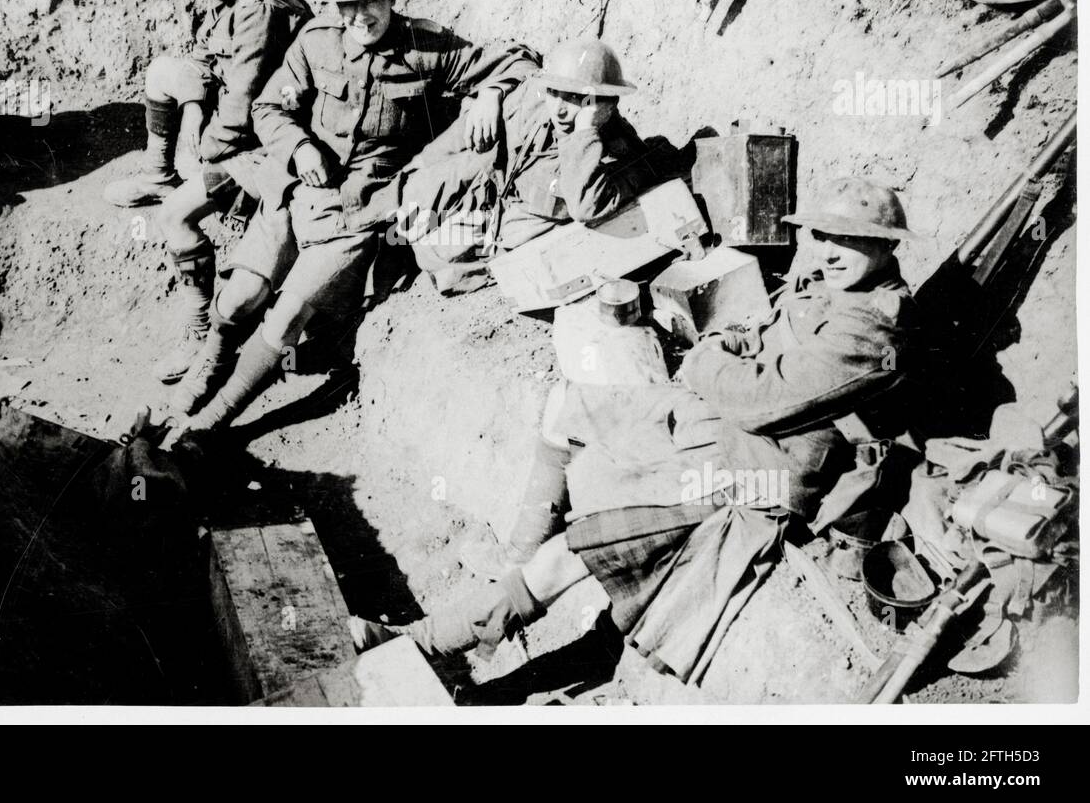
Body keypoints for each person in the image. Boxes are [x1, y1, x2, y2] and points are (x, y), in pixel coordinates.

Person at [350, 178, 922, 674]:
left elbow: (758, 400)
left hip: (758, 470)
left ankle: (427, 643)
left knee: (579, 548)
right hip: (713, 420)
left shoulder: (871, 332)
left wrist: (706, 359)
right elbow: (751, 331)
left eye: (849, 239)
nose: (828, 250)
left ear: (886, 245)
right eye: (820, 235)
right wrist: (722, 351)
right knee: (565, 409)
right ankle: (511, 564)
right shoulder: (829, 280)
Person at [165, 0, 535, 429]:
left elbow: (520, 61)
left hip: (358, 212)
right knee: (240, 298)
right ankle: (211, 362)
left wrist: (490, 93)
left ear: (392, 0)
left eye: (372, 3)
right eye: (348, 6)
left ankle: (216, 420)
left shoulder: (428, 48)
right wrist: (299, 147)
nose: (360, 16)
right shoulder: (316, 43)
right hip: (294, 192)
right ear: (335, 9)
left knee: (288, 316)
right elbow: (268, 110)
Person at [103, 0, 311, 383]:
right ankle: (159, 175)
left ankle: (198, 330)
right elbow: (208, 56)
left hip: (267, 144)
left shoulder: (257, 9)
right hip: (244, 115)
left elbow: (240, 113)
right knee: (161, 72)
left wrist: (202, 149)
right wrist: (195, 105)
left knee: (173, 216)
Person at [396, 37, 667, 292]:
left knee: (433, 253)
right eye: (554, 92)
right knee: (407, 214)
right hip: (484, 185)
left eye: (575, 98)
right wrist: (492, 92)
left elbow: (586, 205)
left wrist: (585, 131)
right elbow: (521, 58)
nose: (560, 108)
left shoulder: (611, 152)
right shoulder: (537, 98)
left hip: (505, 224)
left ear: (606, 104)